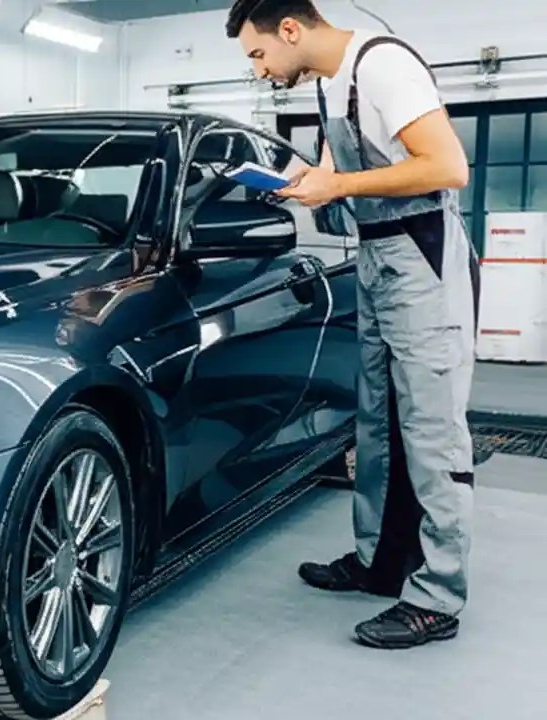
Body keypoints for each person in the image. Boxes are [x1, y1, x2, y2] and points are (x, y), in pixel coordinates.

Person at [225, 0, 480, 649]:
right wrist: (303, 184)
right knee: (379, 423)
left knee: (432, 431)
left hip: (421, 254)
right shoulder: (328, 84)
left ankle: (438, 596)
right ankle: (381, 562)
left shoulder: (383, 65)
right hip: (376, 256)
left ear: (290, 29)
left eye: (259, 54)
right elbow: (342, 173)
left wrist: (338, 187)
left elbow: (448, 167)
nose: (259, 70)